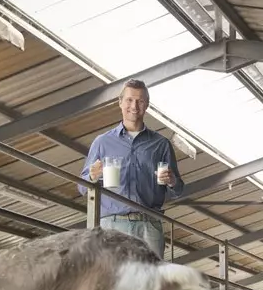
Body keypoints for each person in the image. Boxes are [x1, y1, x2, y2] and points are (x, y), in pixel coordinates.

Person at [77, 78, 184, 259]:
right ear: (120, 103)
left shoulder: (161, 144)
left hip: (149, 226)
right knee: (112, 283)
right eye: (129, 100)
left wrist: (172, 181)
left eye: (140, 101)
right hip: (111, 226)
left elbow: (178, 191)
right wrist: (92, 177)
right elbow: (81, 188)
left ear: (147, 105)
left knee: (150, 284)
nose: (134, 106)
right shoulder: (102, 142)